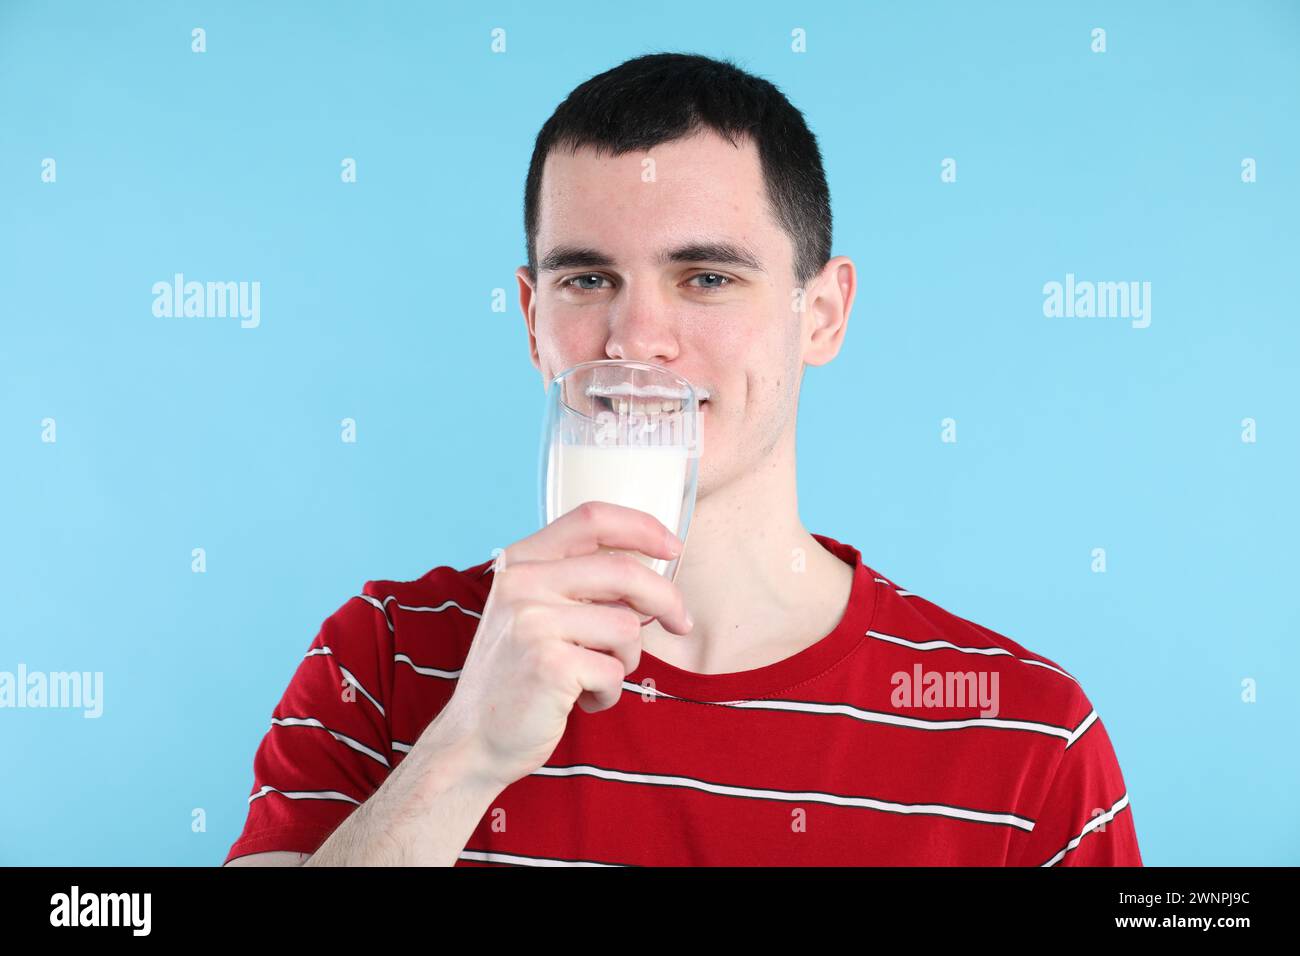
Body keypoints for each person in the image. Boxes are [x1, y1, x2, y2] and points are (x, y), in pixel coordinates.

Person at [224, 52, 1142, 867]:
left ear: (820, 314)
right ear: (532, 317)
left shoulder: (1025, 734)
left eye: (707, 277)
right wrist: (462, 755)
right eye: (587, 279)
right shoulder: (380, 658)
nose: (636, 340)